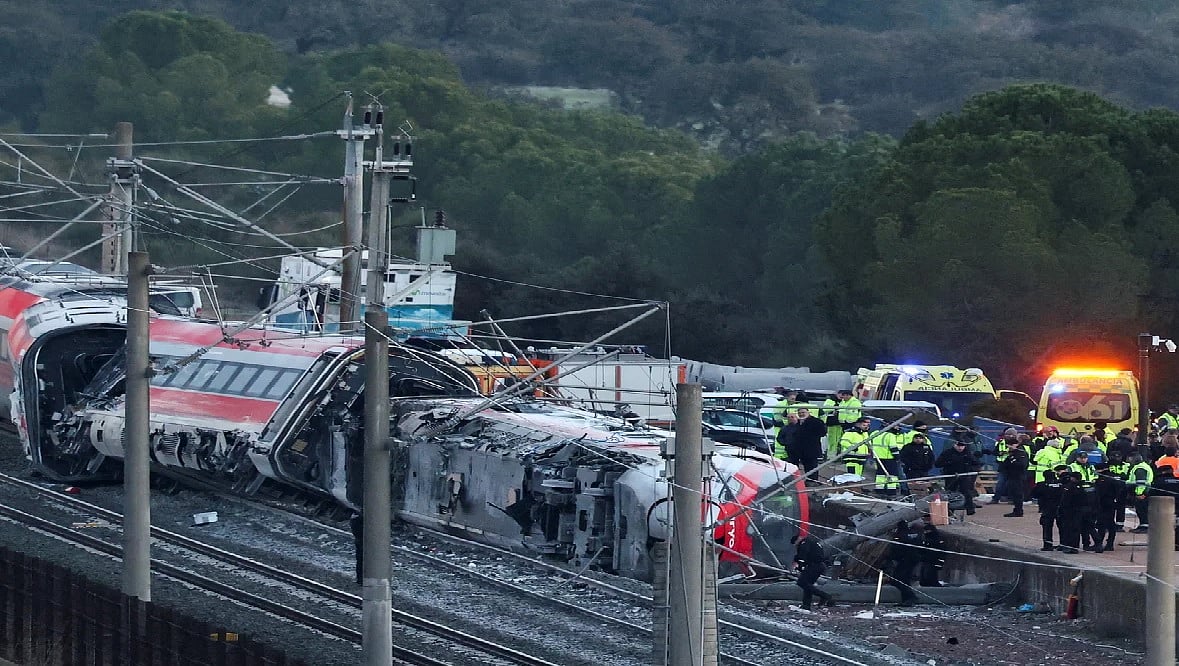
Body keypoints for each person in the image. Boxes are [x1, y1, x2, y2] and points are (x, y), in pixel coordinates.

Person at [935, 439, 982, 515]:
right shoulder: (947, 453)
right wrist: (949, 463)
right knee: (950, 493)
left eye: (962, 446)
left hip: (964, 475)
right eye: (958, 446)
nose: (960, 448)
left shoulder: (968, 453)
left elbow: (976, 463)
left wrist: (971, 469)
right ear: (954, 445)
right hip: (951, 476)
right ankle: (950, 510)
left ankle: (970, 509)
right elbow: (937, 464)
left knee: (967, 492)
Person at [791, 532, 834, 610]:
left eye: (795, 543)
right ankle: (806, 605)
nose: (796, 545)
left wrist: (799, 567)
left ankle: (825, 596)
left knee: (802, 582)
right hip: (819, 565)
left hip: (814, 566)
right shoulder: (811, 542)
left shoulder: (804, 544)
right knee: (807, 585)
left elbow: (802, 557)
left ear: (797, 540)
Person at [887, 520, 922, 606]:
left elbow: (896, 549)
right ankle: (906, 600)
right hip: (913, 559)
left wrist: (891, 558)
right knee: (905, 579)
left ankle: (911, 597)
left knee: (897, 579)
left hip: (904, 559)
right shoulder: (914, 534)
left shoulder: (900, 535)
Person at [1092, 462, 1124, 553]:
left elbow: (1100, 493)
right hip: (1113, 503)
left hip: (1104, 504)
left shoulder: (1103, 480)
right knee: (1110, 524)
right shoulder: (1115, 477)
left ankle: (1101, 543)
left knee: (1103, 524)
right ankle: (1108, 543)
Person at [1031, 469, 1065, 551]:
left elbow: (1034, 494)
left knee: (1047, 527)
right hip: (1060, 508)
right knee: (1062, 527)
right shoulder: (1061, 484)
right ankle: (1063, 544)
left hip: (1047, 508)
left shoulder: (1042, 484)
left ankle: (1048, 545)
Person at [788, 407, 826, 474]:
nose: (801, 414)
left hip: (812, 448)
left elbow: (823, 432)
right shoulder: (797, 422)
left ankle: (813, 481)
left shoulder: (816, 421)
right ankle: (807, 480)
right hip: (800, 449)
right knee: (804, 466)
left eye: (803, 412)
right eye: (799, 413)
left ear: (808, 413)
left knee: (812, 466)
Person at [999, 436, 1030, 517]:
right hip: (1011, 476)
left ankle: (1019, 511)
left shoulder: (1021, 453)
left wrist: (1013, 461)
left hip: (1019, 476)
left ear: (1015, 444)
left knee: (1018, 494)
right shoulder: (1011, 454)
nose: (1008, 447)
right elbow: (1005, 465)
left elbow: (1022, 465)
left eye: (1010, 445)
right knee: (1014, 494)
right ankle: (1016, 509)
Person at [988, 428, 1019, 504]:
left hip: (1013, 465)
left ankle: (1011, 498)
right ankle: (996, 498)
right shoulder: (1001, 442)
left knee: (1012, 483)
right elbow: (995, 452)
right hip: (1003, 465)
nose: (1010, 436)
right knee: (1001, 482)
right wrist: (1000, 453)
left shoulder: (1018, 444)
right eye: (1008, 435)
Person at [1128, 454, 1154, 533]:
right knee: (1141, 511)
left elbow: (1141, 482)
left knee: (1142, 511)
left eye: (1130, 459)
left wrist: (1140, 494)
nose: (1129, 461)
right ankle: (1142, 525)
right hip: (1145, 491)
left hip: (1142, 493)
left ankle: (1144, 526)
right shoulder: (1143, 466)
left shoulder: (1140, 468)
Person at [919, 523, 947, 587]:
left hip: (934, 559)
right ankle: (926, 583)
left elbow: (941, 551)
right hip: (926, 559)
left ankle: (933, 583)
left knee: (931, 573)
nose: (925, 532)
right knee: (924, 574)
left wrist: (940, 561)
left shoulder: (937, 539)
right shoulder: (925, 539)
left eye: (927, 531)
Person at [349, 511, 364, 585]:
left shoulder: (355, 517)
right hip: (364, 542)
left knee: (360, 561)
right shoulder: (361, 518)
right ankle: (362, 579)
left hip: (359, 541)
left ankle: (360, 579)